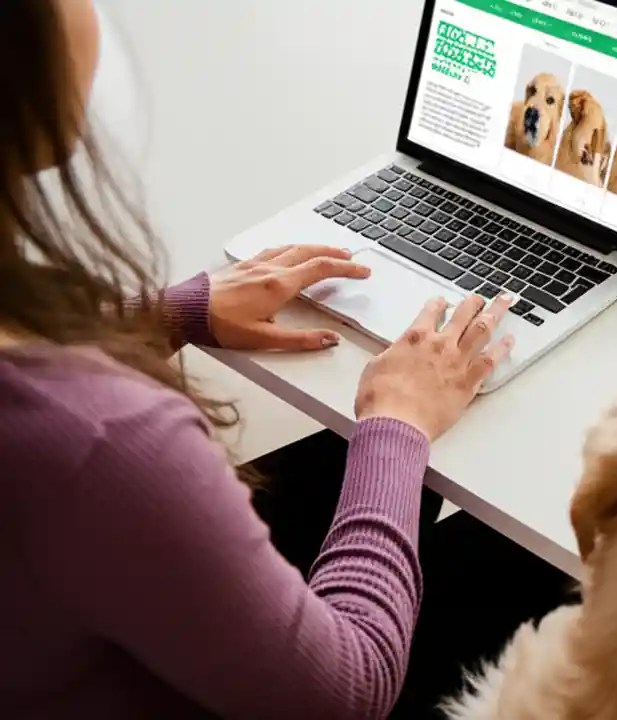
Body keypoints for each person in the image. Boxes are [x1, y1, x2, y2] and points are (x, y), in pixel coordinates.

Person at [1, 1, 570, 717]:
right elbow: (348, 691)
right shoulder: (106, 446)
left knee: (422, 470)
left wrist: (167, 313)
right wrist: (394, 421)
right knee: (551, 557)